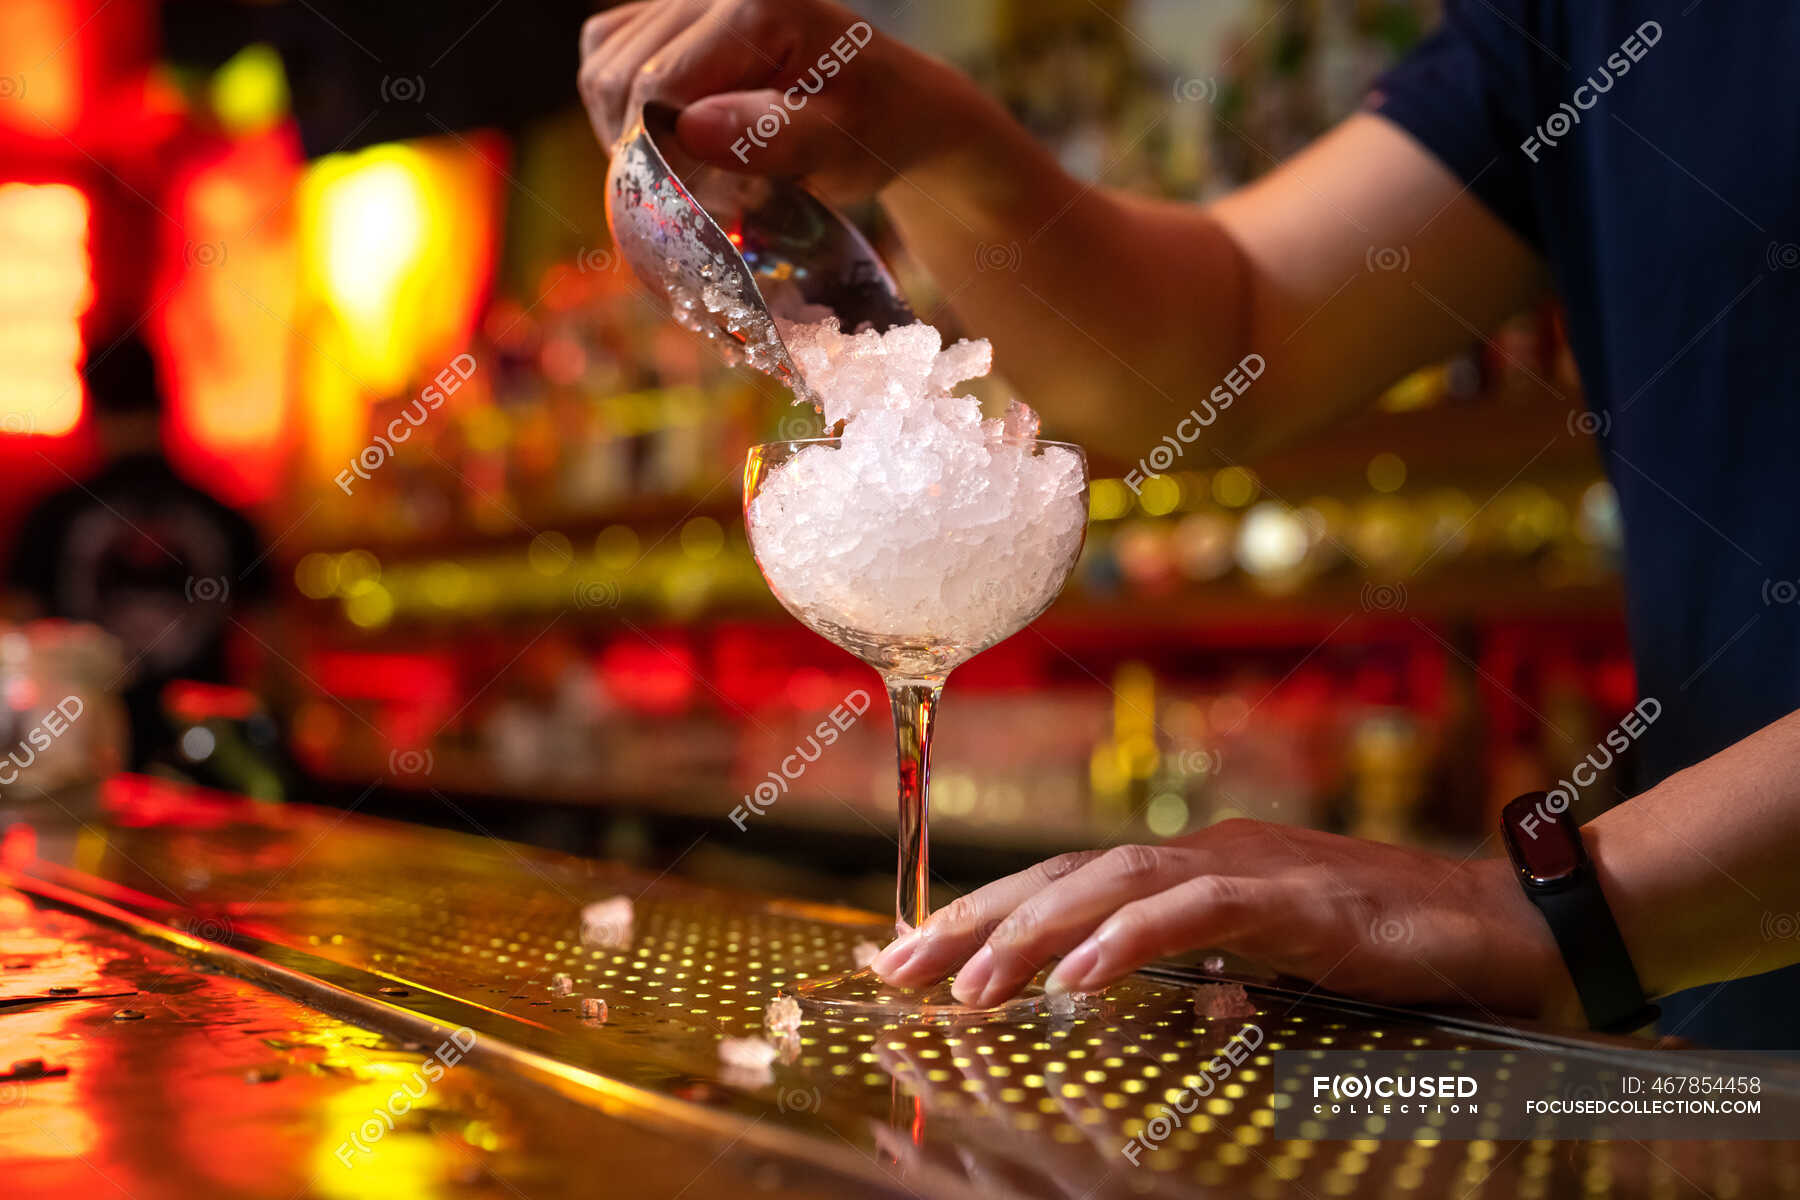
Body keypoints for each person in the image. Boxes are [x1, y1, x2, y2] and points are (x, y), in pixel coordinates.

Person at [578, 0, 1800, 1048]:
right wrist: (921, 136)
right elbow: (1236, 331)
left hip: (1659, 950)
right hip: (1723, 1036)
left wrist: (1554, 909)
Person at [6, 334, 269, 769]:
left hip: (80, 765)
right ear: (167, 398)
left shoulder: (51, 518)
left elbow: (17, 650)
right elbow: (273, 659)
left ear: (90, 401)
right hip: (206, 766)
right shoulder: (228, 519)